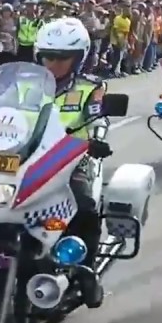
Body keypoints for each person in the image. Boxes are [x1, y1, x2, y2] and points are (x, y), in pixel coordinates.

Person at [34, 17, 112, 308]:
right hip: (25, 159)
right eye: (47, 56)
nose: (53, 63)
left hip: (71, 159)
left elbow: (98, 116)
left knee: (84, 206)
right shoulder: (26, 85)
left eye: (61, 58)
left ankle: (86, 272)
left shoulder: (89, 88)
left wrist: (96, 138)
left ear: (78, 58)